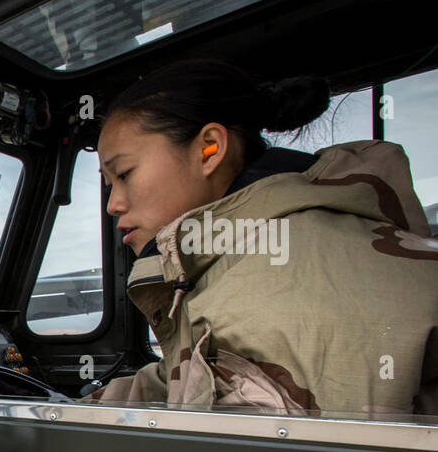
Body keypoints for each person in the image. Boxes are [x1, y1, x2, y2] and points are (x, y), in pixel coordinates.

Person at [89, 59, 438, 417]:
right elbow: (181, 381)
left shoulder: (283, 288)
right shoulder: (241, 264)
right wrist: (79, 411)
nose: (113, 205)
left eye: (124, 174)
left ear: (209, 148)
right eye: (108, 184)